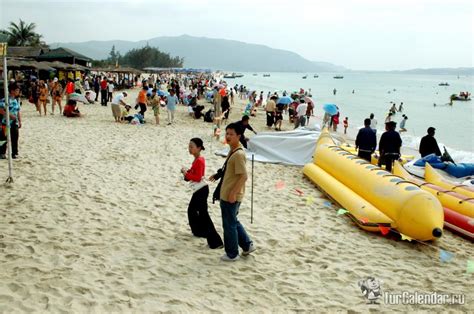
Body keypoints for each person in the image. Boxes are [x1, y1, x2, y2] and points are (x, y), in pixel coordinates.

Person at [209, 123, 255, 261]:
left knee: (228, 224)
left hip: (231, 194)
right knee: (233, 220)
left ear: (239, 136)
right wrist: (217, 175)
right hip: (228, 192)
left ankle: (232, 253)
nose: (228, 136)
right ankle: (247, 245)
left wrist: (233, 193)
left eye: (231, 134)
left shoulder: (238, 154)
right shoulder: (233, 150)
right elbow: (228, 170)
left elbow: (243, 176)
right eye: (227, 133)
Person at [181, 138, 223, 249]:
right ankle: (199, 232)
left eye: (192, 146)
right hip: (199, 190)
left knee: (203, 215)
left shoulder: (199, 160)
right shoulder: (197, 159)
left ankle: (216, 242)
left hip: (201, 190)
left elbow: (198, 177)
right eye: (189, 146)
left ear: (199, 148)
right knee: (192, 210)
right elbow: (194, 173)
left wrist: (187, 174)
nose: (189, 148)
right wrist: (187, 172)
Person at [0, 83, 22, 159]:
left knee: (15, 138)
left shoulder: (17, 100)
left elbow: (18, 110)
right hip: (5, 122)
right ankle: (2, 153)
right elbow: (1, 110)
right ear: (12, 91)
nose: (18, 91)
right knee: (3, 138)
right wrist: (9, 115)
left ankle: (14, 153)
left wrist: (20, 121)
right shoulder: (5, 99)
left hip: (14, 122)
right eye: (17, 90)